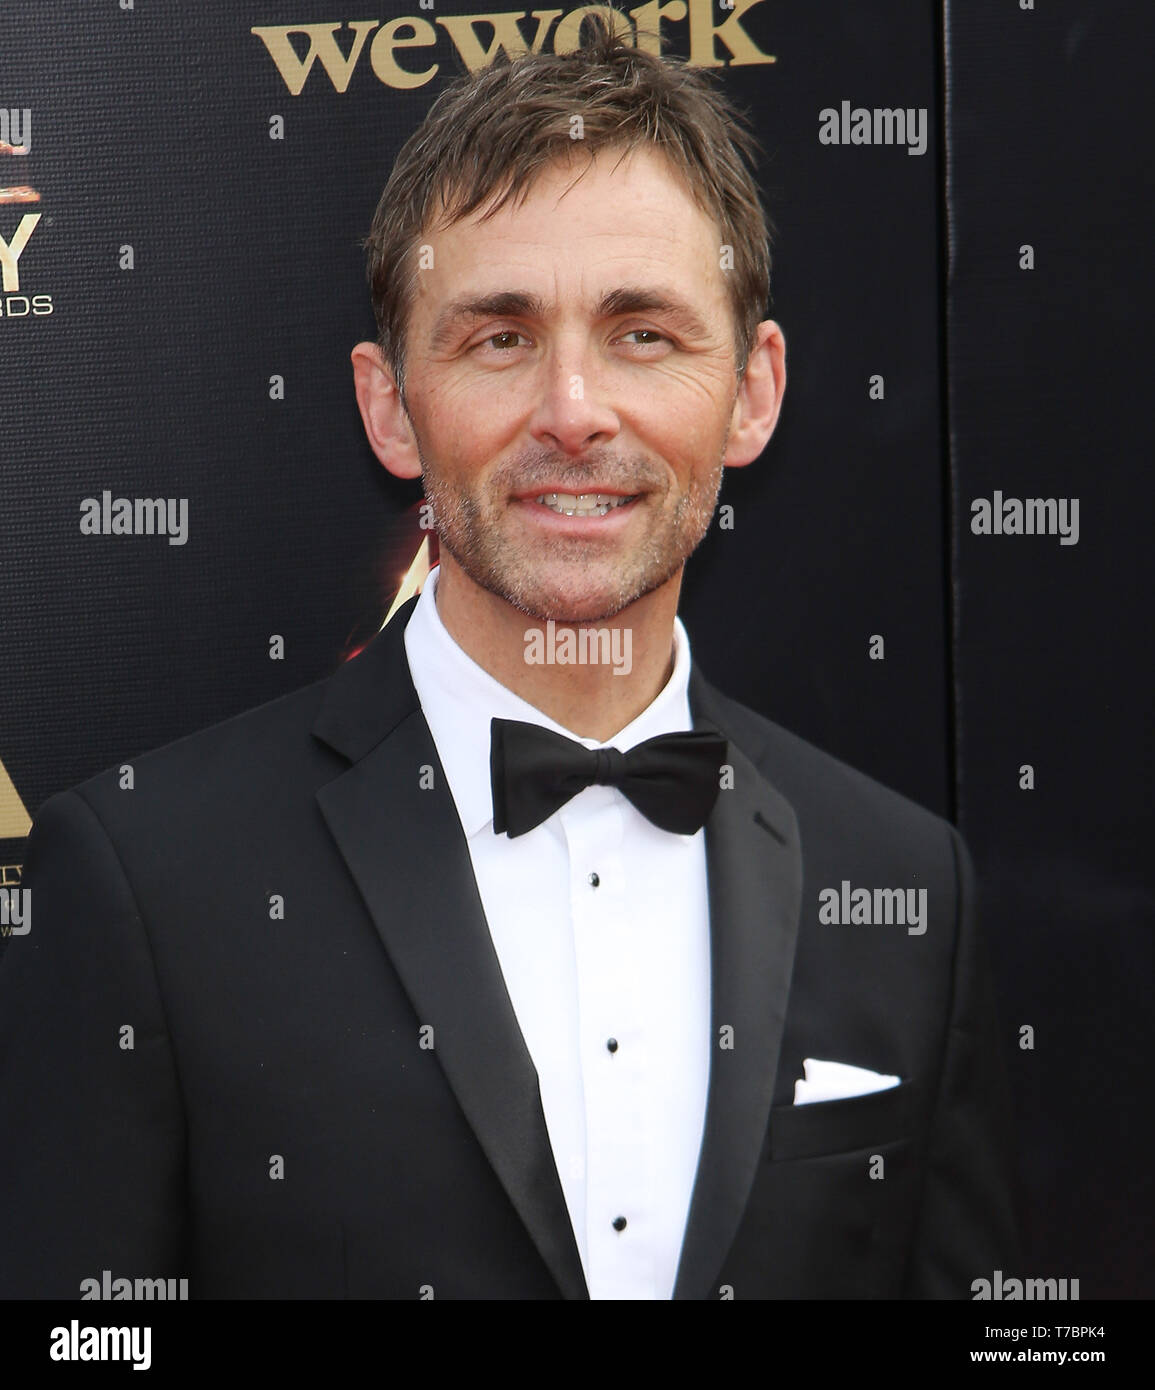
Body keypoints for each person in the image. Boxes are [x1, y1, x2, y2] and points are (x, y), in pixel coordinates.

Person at [0, 18, 1017, 1300]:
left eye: (643, 332)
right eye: (499, 336)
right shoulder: (148, 883)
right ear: (389, 406)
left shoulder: (908, 886)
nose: (573, 410)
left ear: (753, 391)